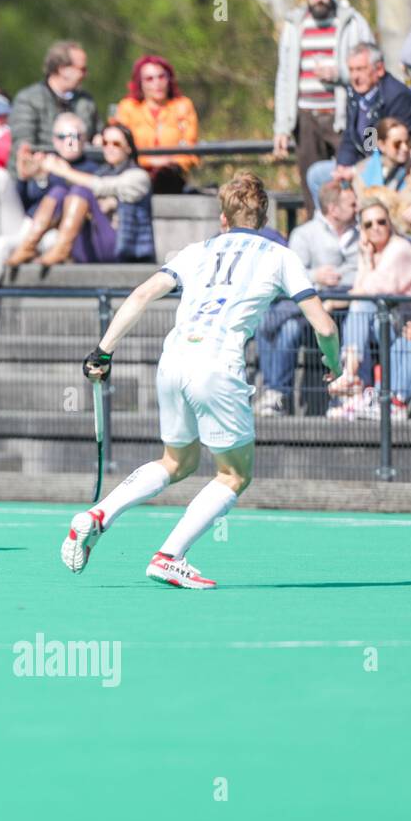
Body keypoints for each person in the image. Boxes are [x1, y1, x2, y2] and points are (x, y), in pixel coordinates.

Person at [61, 171, 341, 589]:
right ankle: (168, 556)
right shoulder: (279, 255)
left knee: (177, 462)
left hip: (172, 360)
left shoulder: (196, 251)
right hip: (217, 366)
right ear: (263, 219)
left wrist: (103, 350)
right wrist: (332, 364)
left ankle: (96, 515)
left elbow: (139, 295)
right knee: (234, 474)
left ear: (222, 218)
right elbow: (325, 326)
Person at [0, 112, 100, 334]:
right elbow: (26, 202)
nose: (69, 141)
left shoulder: (90, 168)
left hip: (55, 236)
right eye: (63, 136)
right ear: (54, 139)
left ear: (85, 138)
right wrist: (27, 177)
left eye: (75, 135)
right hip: (27, 225)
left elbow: (78, 201)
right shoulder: (45, 161)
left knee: (0, 245)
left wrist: (61, 172)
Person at [272, 0, 375, 215]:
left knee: (349, 182)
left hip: (343, 117)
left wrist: (339, 73)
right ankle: (315, 242)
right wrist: (282, 127)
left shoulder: (352, 22)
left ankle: (352, 239)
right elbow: (285, 76)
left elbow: (372, 68)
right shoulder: (294, 25)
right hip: (306, 117)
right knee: (313, 189)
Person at [257, 180, 358, 416]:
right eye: (352, 204)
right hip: (310, 303)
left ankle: (276, 391)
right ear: (333, 209)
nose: (357, 209)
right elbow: (294, 272)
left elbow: (359, 271)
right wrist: (317, 275)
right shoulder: (304, 234)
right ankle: (276, 393)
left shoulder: (361, 232)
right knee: (290, 327)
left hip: (344, 304)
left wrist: (329, 279)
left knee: (276, 321)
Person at [327, 197, 411, 420]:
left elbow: (367, 291)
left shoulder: (399, 249)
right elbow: (361, 291)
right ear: (362, 230)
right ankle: (358, 392)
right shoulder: (372, 252)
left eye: (381, 222)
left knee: (402, 342)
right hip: (395, 321)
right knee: (362, 312)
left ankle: (392, 401)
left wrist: (330, 303)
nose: (376, 228)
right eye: (369, 224)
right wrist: (366, 259)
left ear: (390, 224)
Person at [23, 121, 155, 266]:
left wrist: (63, 171)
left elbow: (101, 186)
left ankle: (60, 250)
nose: (109, 148)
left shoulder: (138, 176)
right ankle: (28, 245)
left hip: (124, 248)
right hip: (92, 243)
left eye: (116, 143)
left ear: (128, 148)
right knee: (59, 191)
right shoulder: (100, 171)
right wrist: (38, 174)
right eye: (105, 143)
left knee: (81, 190)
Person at [307, 42, 411, 207]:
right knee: (317, 175)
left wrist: (355, 171)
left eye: (360, 69)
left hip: (396, 167)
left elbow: (390, 151)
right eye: (351, 70)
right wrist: (342, 166)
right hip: (363, 163)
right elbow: (350, 136)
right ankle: (329, 228)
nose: (355, 76)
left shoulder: (397, 98)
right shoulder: (358, 94)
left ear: (379, 69)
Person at [6, 41, 99, 184]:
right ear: (62, 69)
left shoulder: (86, 101)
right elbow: (24, 145)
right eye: (82, 69)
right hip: (38, 178)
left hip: (80, 175)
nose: (85, 74)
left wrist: (100, 139)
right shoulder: (28, 99)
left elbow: (96, 135)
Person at [115, 55, 199, 193]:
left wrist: (171, 162)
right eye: (149, 79)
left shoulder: (183, 105)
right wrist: (150, 161)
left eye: (161, 77)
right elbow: (120, 147)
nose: (157, 83)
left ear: (169, 79)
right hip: (135, 173)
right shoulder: (128, 107)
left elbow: (190, 148)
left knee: (165, 178)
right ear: (140, 83)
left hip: (172, 177)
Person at [351, 116, 411, 235]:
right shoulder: (363, 172)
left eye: (407, 141)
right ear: (382, 145)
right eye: (397, 144)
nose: (404, 148)